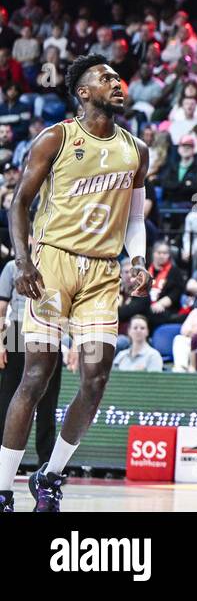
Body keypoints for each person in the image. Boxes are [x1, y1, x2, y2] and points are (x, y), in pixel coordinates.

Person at [1, 56, 151, 513]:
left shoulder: (136, 150)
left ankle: (50, 475)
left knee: (95, 378)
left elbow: (137, 216)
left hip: (103, 273)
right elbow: (19, 203)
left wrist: (139, 260)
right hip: (52, 266)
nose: (117, 82)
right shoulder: (57, 137)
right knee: (37, 375)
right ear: (84, 93)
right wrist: (23, 261)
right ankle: (3, 486)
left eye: (118, 77)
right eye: (106, 77)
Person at [0, 259, 61, 473]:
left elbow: (67, 308)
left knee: (48, 401)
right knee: (8, 397)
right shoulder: (11, 267)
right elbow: (1, 306)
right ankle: (6, 461)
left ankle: (46, 463)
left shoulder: (57, 265)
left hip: (50, 329)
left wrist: (70, 344)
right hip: (17, 330)